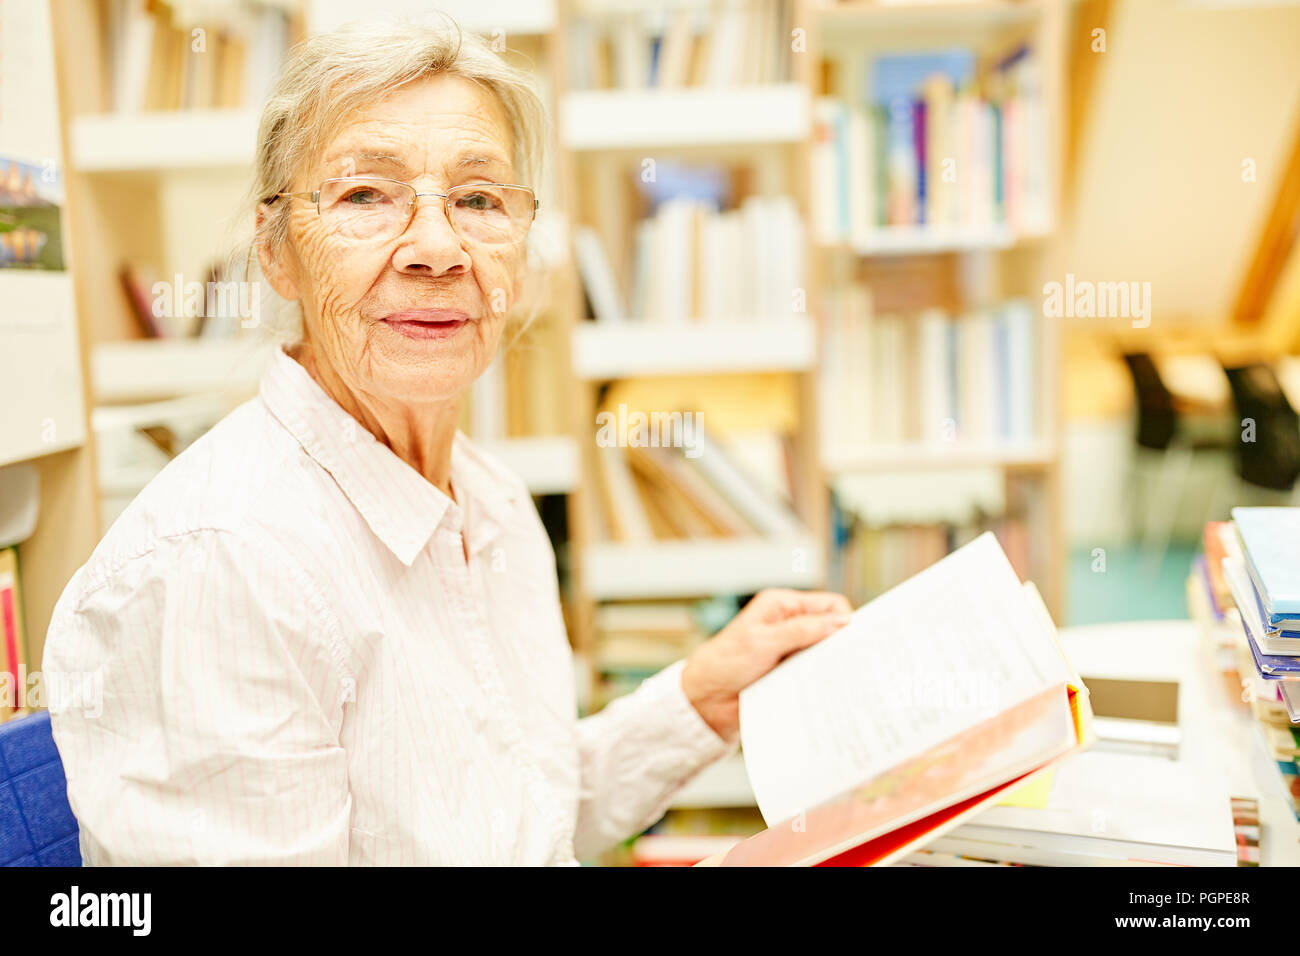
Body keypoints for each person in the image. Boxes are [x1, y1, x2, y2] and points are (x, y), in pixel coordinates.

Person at [43, 21, 851, 865]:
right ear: (276, 252)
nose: (437, 249)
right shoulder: (217, 566)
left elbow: (513, 823)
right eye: (364, 195)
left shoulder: (492, 501)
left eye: (478, 200)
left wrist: (700, 698)